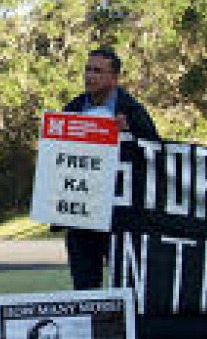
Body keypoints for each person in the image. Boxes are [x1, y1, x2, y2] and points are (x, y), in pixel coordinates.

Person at [59, 48, 160, 290]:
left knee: (126, 285)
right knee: (84, 286)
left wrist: (128, 133)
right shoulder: (72, 109)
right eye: (87, 69)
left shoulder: (132, 110)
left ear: (114, 78)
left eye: (97, 71)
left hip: (120, 215)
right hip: (81, 215)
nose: (90, 76)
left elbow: (154, 151)